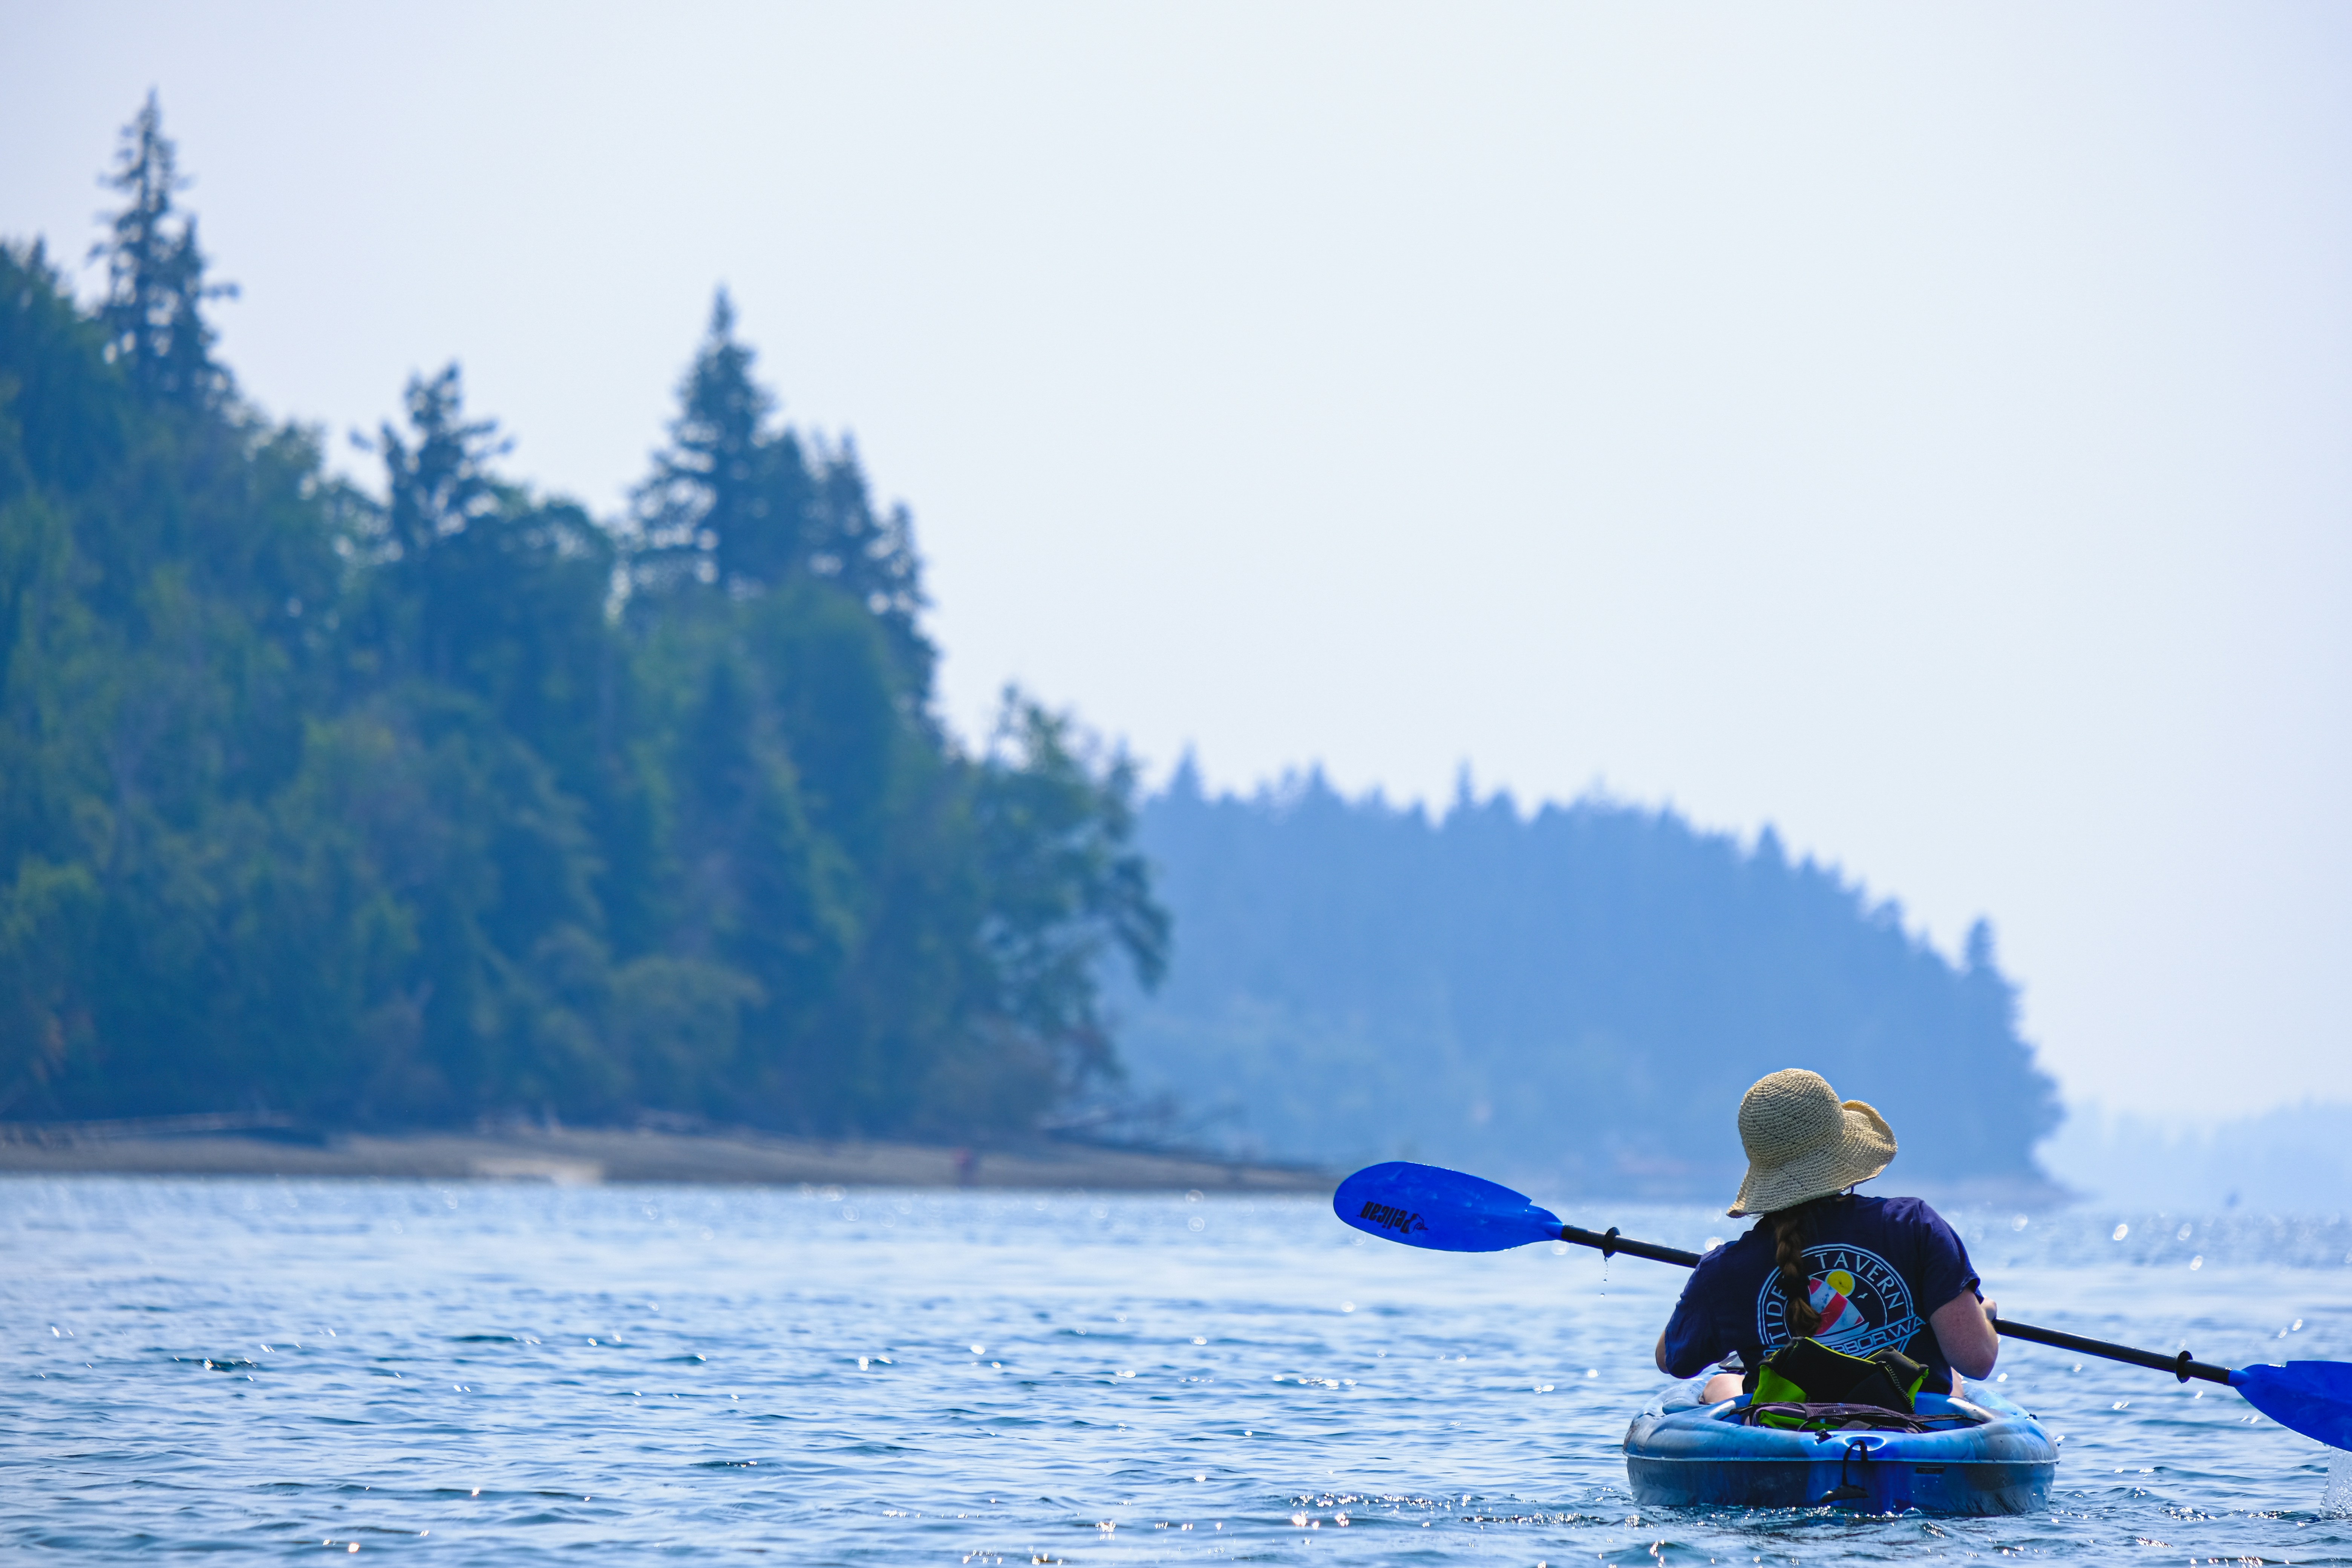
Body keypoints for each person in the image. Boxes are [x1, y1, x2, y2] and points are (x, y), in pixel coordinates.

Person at [1653, 1068, 2000, 1405]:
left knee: (1721, 1383)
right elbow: (1976, 1360)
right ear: (1844, 1153)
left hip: (1787, 1426)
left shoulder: (1724, 1270)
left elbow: (1670, 1359)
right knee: (1953, 1380)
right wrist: (1983, 1316)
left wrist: (1712, 1305)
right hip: (1911, 1426)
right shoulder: (1915, 1225)